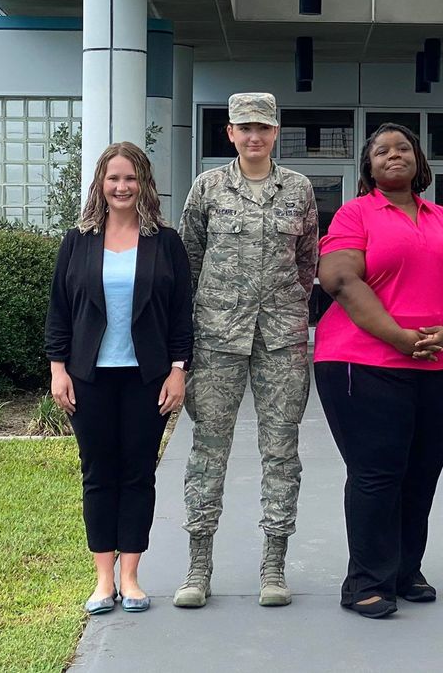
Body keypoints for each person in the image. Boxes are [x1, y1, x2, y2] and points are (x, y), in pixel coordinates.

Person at [314, 122, 443, 619]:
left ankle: (406, 570)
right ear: (368, 167)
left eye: (403, 148)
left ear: (419, 161)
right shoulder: (356, 214)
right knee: (377, 474)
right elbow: (340, 278)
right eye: (382, 150)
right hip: (363, 363)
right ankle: (366, 581)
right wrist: (399, 337)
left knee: (421, 474)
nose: (394, 155)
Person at [173, 92, 318, 609]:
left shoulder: (298, 189)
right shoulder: (208, 188)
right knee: (208, 453)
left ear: (276, 132)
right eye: (244, 128)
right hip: (217, 338)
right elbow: (187, 263)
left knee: (282, 452)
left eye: (263, 127)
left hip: (281, 340)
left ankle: (274, 565)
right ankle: (197, 566)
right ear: (229, 133)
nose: (254, 136)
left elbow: (307, 263)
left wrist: (286, 314)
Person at [45, 141, 193, 615]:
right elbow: (59, 312)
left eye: (131, 178)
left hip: (147, 376)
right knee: (97, 473)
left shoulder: (165, 242)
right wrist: (58, 369)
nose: (122, 186)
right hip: (88, 376)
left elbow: (179, 315)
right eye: (114, 178)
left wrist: (177, 370)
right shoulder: (78, 240)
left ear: (144, 183)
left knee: (137, 473)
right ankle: (102, 580)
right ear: (100, 184)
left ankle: (131, 578)